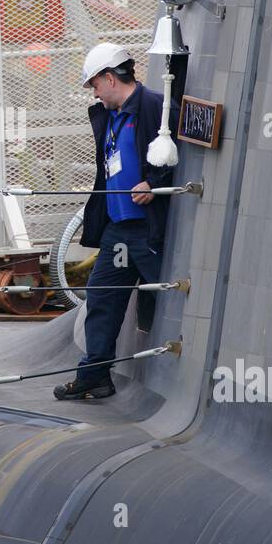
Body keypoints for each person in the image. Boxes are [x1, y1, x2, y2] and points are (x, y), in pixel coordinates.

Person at [55, 42, 177, 401]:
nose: (93, 92)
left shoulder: (153, 106)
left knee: (167, 292)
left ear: (110, 78)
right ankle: (95, 375)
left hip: (146, 228)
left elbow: (176, 155)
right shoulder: (111, 115)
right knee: (102, 295)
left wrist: (154, 185)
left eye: (94, 84)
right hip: (119, 229)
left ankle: (180, 375)